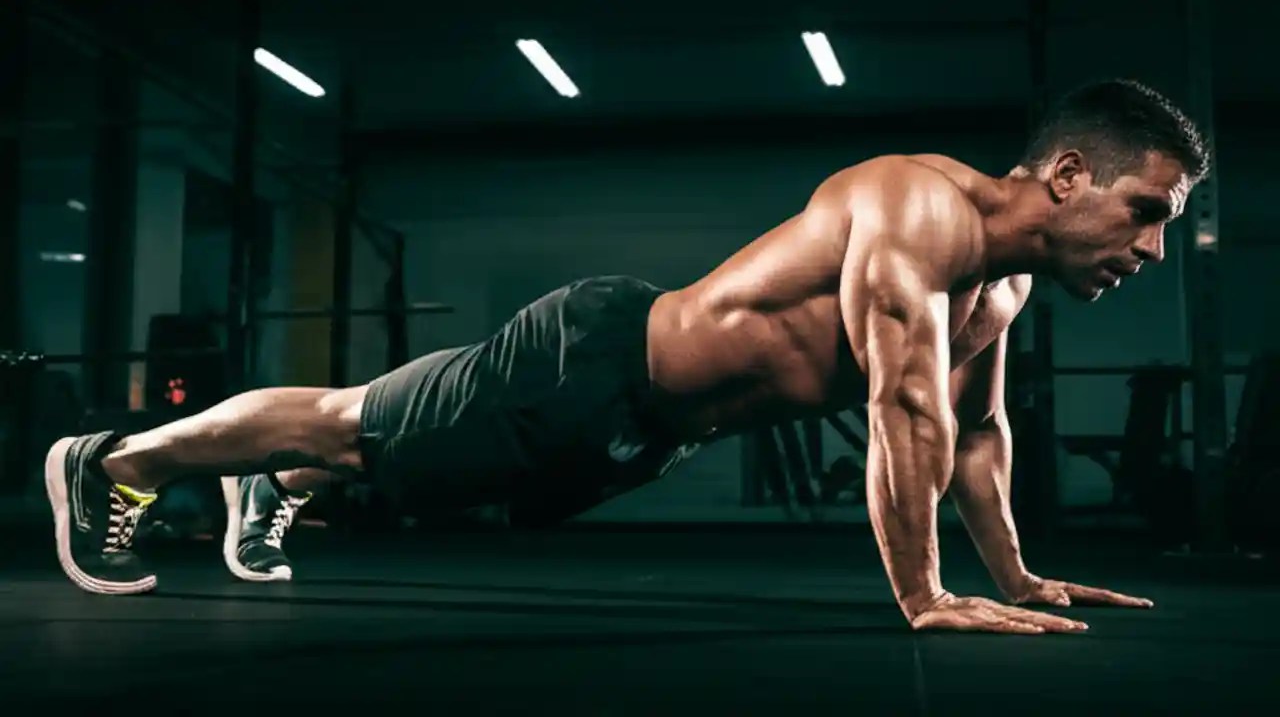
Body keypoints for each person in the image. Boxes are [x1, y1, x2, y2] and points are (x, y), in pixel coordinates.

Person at [45, 78, 1207, 634]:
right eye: (1146, 210)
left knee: (407, 470)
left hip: (641, 429)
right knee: (352, 418)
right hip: (596, 361)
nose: (1152, 246)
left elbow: (978, 434)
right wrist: (926, 598)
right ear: (1063, 176)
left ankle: (276, 480)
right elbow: (909, 409)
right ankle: (115, 461)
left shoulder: (1000, 286)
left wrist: (1012, 576)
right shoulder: (916, 207)